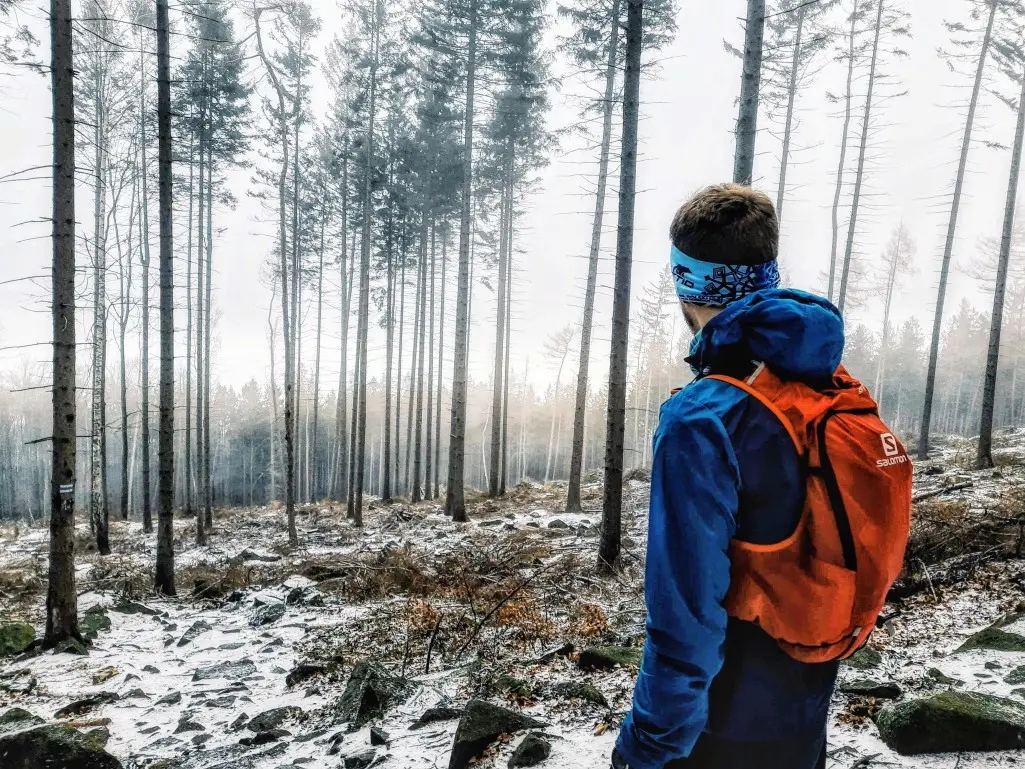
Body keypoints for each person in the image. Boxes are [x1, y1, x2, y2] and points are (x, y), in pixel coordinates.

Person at [612, 184, 855, 769]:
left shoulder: (702, 417)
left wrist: (648, 743)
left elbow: (685, 616)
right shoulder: (821, 379)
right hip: (805, 692)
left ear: (685, 285)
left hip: (723, 724)